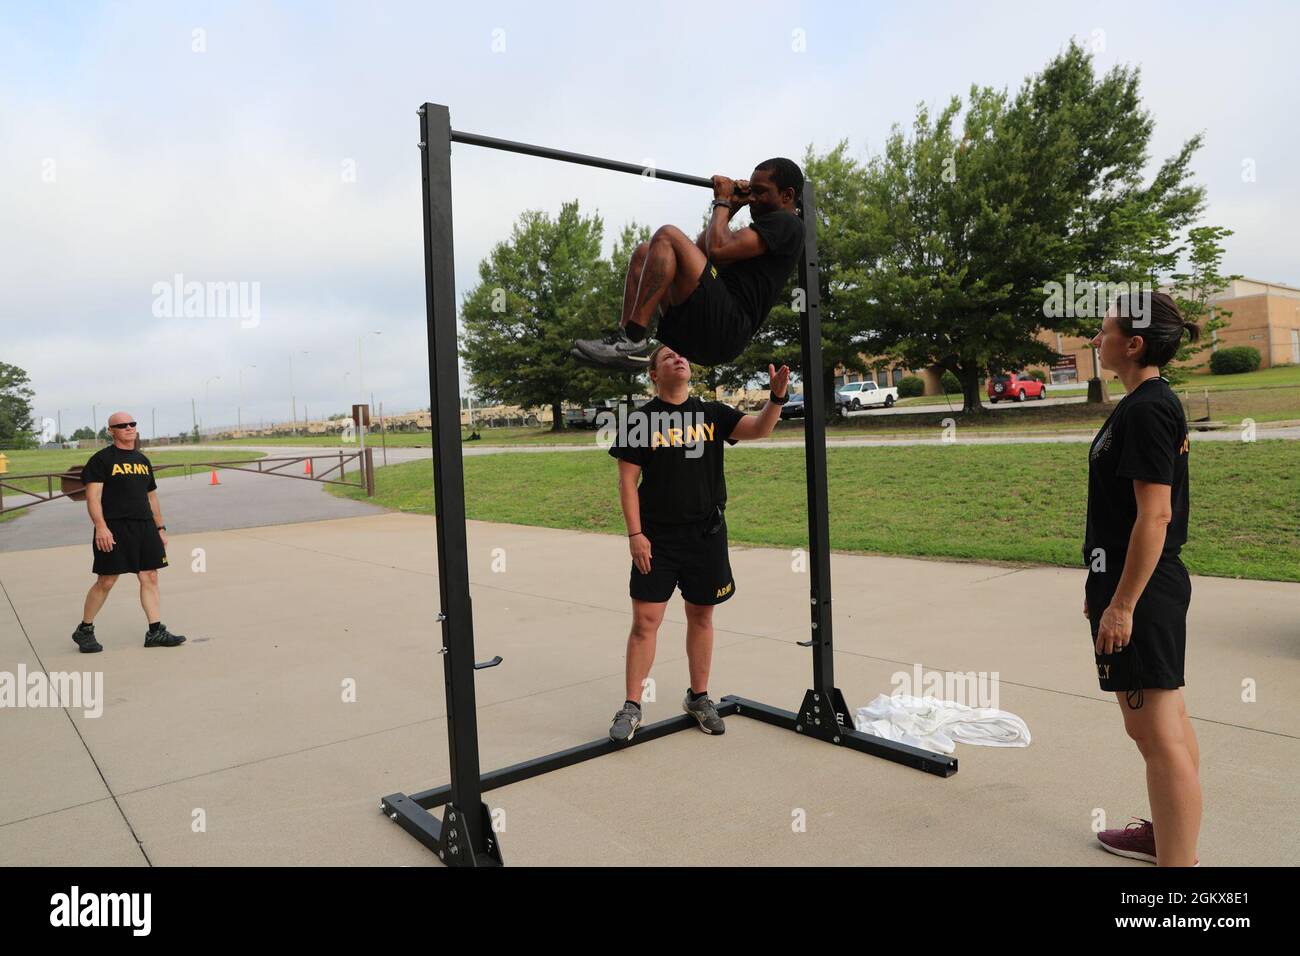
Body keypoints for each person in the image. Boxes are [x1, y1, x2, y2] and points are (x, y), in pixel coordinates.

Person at [605, 344, 789, 741]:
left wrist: (776, 398)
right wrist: (635, 535)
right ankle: (632, 706)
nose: (679, 358)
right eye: (667, 356)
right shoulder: (640, 421)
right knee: (645, 622)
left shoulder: (713, 414)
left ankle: (699, 698)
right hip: (656, 540)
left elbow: (760, 429)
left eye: (683, 355)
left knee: (701, 617)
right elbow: (626, 482)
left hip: (705, 537)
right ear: (653, 374)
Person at [1084, 292, 1201, 866]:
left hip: (1146, 592)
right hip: (1137, 584)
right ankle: (1166, 835)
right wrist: (1103, 590)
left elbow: (1155, 515)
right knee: (1165, 724)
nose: (1096, 340)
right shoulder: (1142, 403)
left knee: (1156, 736)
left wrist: (1122, 604)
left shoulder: (1148, 409)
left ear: (1133, 344)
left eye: (1104, 332)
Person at [572, 158, 805, 371]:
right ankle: (626, 339)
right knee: (647, 252)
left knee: (667, 234)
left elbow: (718, 249)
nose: (752, 198)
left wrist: (722, 201)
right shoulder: (765, 232)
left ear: (787, 195)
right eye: (751, 191)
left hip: (728, 328)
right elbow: (702, 250)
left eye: (760, 192)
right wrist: (732, 206)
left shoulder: (787, 223)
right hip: (703, 331)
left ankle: (633, 340)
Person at [72, 412, 186, 652]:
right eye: (122, 425)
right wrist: (101, 527)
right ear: (111, 431)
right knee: (106, 580)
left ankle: (155, 632)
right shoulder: (101, 460)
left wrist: (160, 528)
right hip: (114, 527)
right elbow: (93, 498)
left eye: (132, 424)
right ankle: (85, 629)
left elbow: (151, 497)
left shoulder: (142, 460)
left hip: (144, 526)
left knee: (150, 576)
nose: (129, 428)